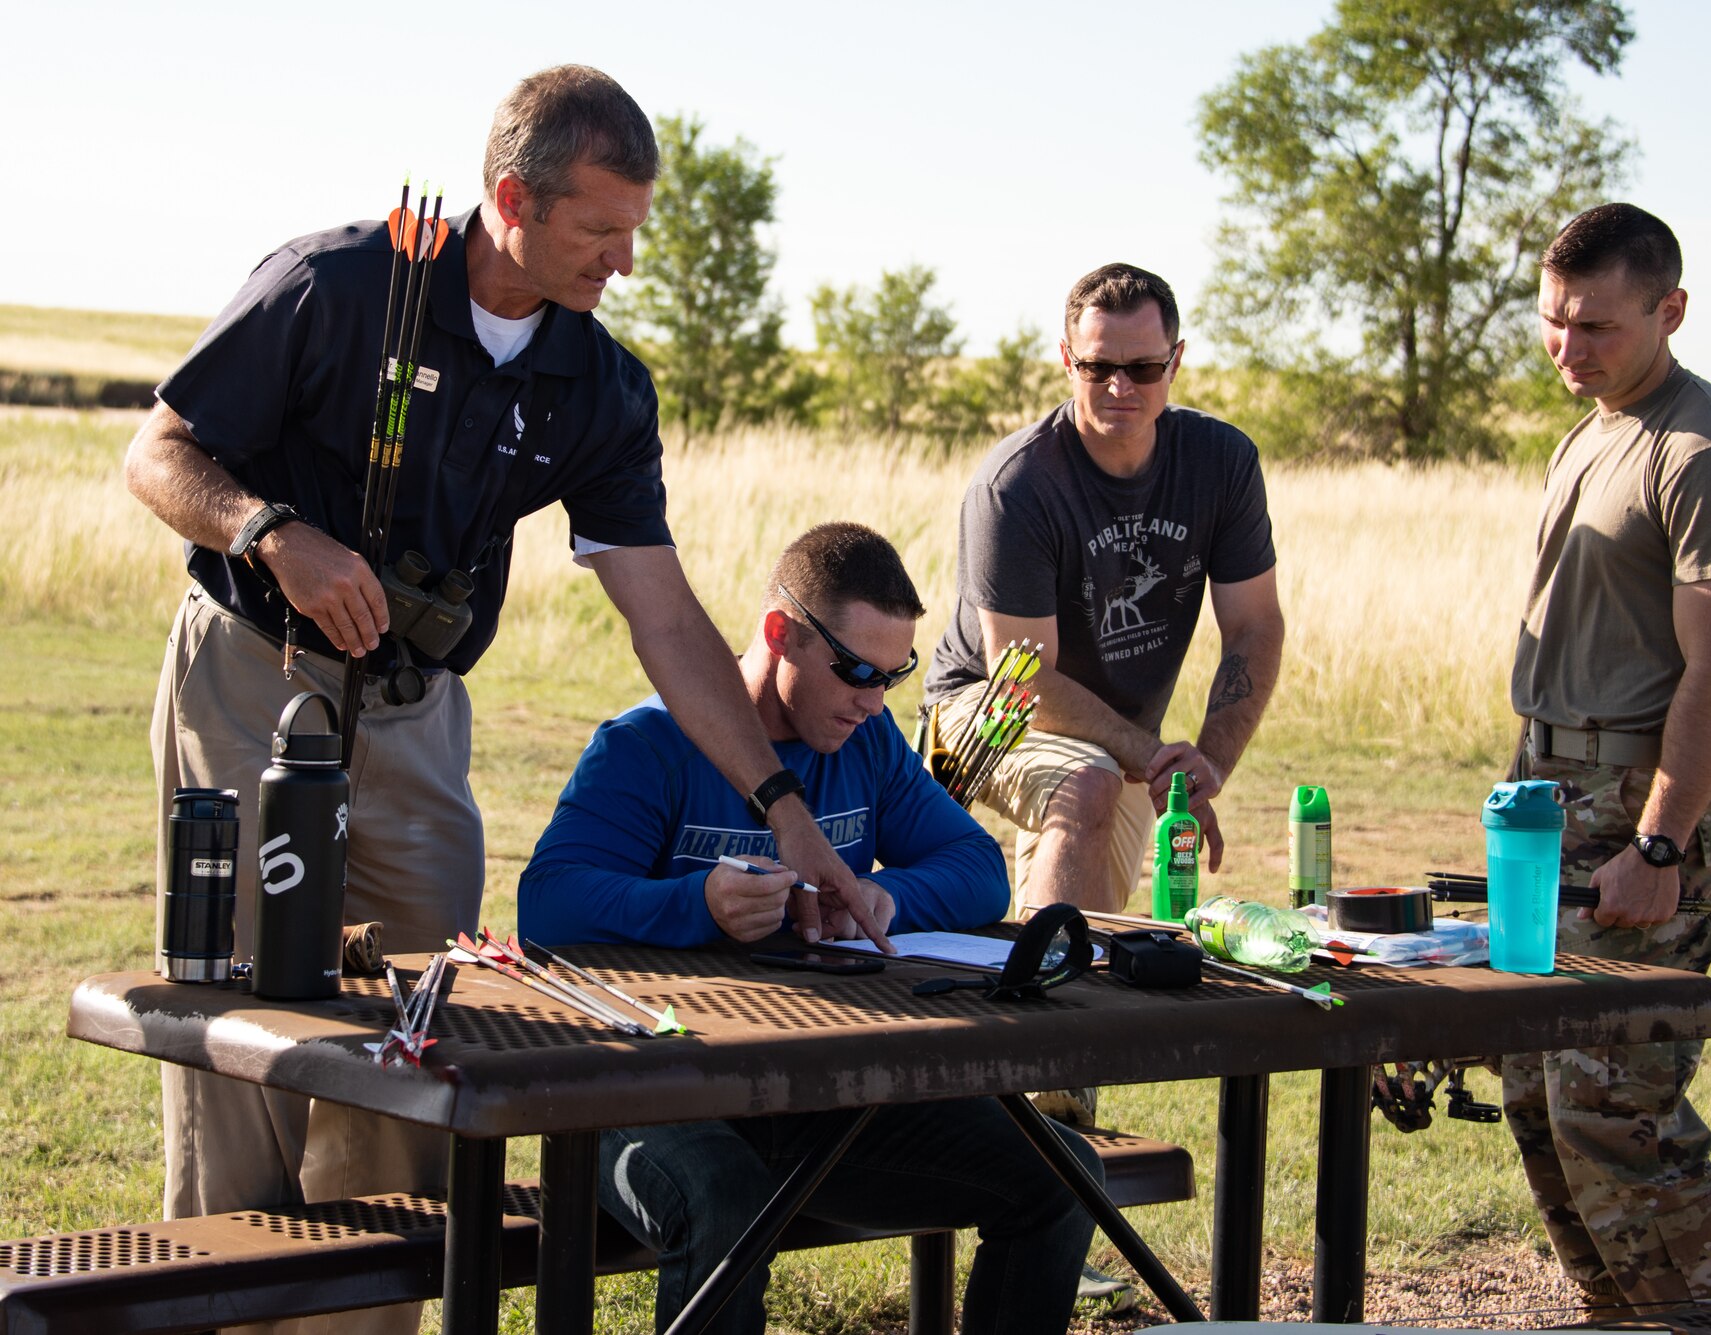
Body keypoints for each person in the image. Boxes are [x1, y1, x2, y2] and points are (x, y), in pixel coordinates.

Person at [125, 66, 872, 1335]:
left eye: (636, 229)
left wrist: (784, 807)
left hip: (417, 714)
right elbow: (157, 452)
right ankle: (218, 1311)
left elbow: (664, 616)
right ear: (510, 198)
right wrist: (273, 534)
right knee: (241, 1018)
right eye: (598, 229)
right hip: (254, 676)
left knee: (418, 1033)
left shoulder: (602, 384)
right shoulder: (337, 285)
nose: (622, 261)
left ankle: (361, 1322)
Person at [519, 522, 1102, 1335]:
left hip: (811, 1094)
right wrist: (700, 905)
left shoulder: (867, 747)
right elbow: (546, 904)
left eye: (895, 673)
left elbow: (976, 865)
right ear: (779, 634)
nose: (873, 698)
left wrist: (884, 897)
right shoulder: (649, 745)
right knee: (726, 1196)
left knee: (1062, 1171)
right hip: (642, 1094)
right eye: (857, 669)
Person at [1503, 202, 1711, 1316]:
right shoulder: (1595, 427)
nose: (1567, 348)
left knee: (1615, 1111)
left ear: (1667, 311)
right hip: (1548, 795)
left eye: (1596, 328)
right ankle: (1622, 1316)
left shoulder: (1705, 448)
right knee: (1534, 1090)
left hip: (1633, 805)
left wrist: (1659, 841)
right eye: (1551, 322)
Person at [924, 263, 1284, 920]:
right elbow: (1022, 676)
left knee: (1096, 927)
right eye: (1097, 368)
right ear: (1067, 360)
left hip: (1117, 733)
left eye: (1143, 368)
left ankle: (1060, 991)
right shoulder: (1017, 484)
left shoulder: (1223, 462)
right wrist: (1152, 757)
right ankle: (1048, 1007)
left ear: (1175, 362)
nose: (1121, 386)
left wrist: (1206, 765)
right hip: (981, 701)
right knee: (1085, 782)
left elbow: (1255, 626)